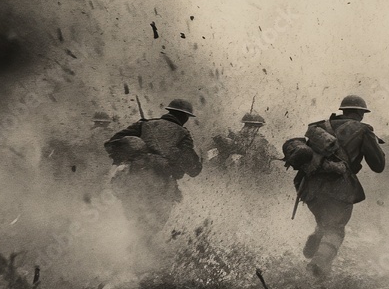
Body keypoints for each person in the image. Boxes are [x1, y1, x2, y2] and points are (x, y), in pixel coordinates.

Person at [294, 95, 385, 277]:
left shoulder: (319, 128)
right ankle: (316, 269)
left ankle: (318, 236)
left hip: (310, 187)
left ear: (343, 110)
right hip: (338, 188)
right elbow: (378, 165)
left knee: (326, 222)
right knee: (336, 229)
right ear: (360, 113)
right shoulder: (363, 130)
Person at [104, 99, 202, 231]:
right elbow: (190, 164)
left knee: (133, 220)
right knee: (153, 225)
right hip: (162, 182)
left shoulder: (145, 125)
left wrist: (134, 153)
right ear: (185, 117)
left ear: (170, 111)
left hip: (135, 176)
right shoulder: (183, 133)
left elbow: (112, 143)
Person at [209, 112, 279, 173]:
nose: (248, 129)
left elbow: (254, 156)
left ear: (257, 128)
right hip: (228, 166)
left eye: (252, 127)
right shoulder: (237, 135)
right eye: (247, 125)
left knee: (235, 159)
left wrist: (235, 145)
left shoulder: (261, 141)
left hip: (251, 169)